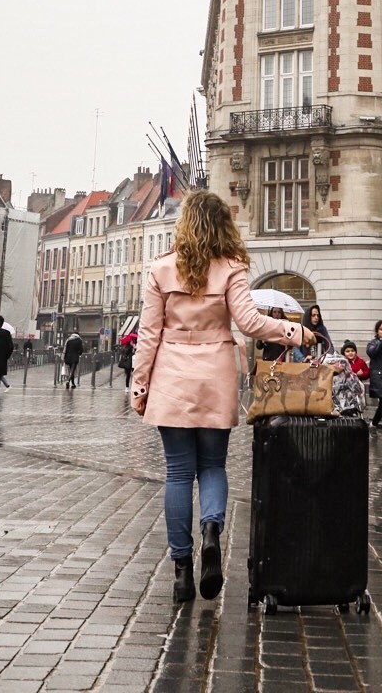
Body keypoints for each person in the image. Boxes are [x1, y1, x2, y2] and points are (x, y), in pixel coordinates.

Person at [131, 189, 305, 606]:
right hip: (215, 374)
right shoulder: (232, 268)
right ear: (223, 226)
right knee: (212, 466)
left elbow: (148, 335)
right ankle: (211, 529)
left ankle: (182, 573)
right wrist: (296, 332)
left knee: (177, 474)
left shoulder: (161, 269)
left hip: (172, 376)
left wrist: (140, 386)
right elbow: (248, 322)